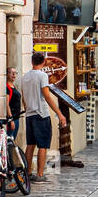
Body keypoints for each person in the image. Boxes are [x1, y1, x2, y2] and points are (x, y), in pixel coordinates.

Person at [18, 52, 66, 182]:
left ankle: (28, 172)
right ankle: (39, 174)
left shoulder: (25, 77)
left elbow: (23, 96)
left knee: (30, 144)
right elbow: (47, 96)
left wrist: (27, 108)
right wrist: (59, 113)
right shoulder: (42, 76)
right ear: (43, 62)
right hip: (41, 114)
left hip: (29, 114)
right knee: (43, 145)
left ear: (32, 61)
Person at [4, 67, 23, 139]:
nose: (14, 75)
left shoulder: (13, 86)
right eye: (12, 73)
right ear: (7, 74)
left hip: (16, 118)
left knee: (12, 140)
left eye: (15, 73)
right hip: (12, 119)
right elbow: (7, 104)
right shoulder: (7, 87)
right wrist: (11, 120)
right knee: (10, 141)